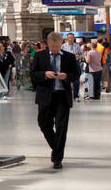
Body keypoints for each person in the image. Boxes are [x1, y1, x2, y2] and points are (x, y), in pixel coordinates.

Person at [31, 31, 80, 169]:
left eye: (57, 46)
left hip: (62, 96)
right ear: (47, 44)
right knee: (43, 124)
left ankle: (58, 158)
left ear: (61, 44)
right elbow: (33, 74)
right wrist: (44, 74)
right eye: (52, 46)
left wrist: (67, 76)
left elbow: (76, 74)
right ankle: (56, 148)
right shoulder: (40, 56)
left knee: (61, 127)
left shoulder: (69, 57)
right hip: (45, 96)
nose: (55, 49)